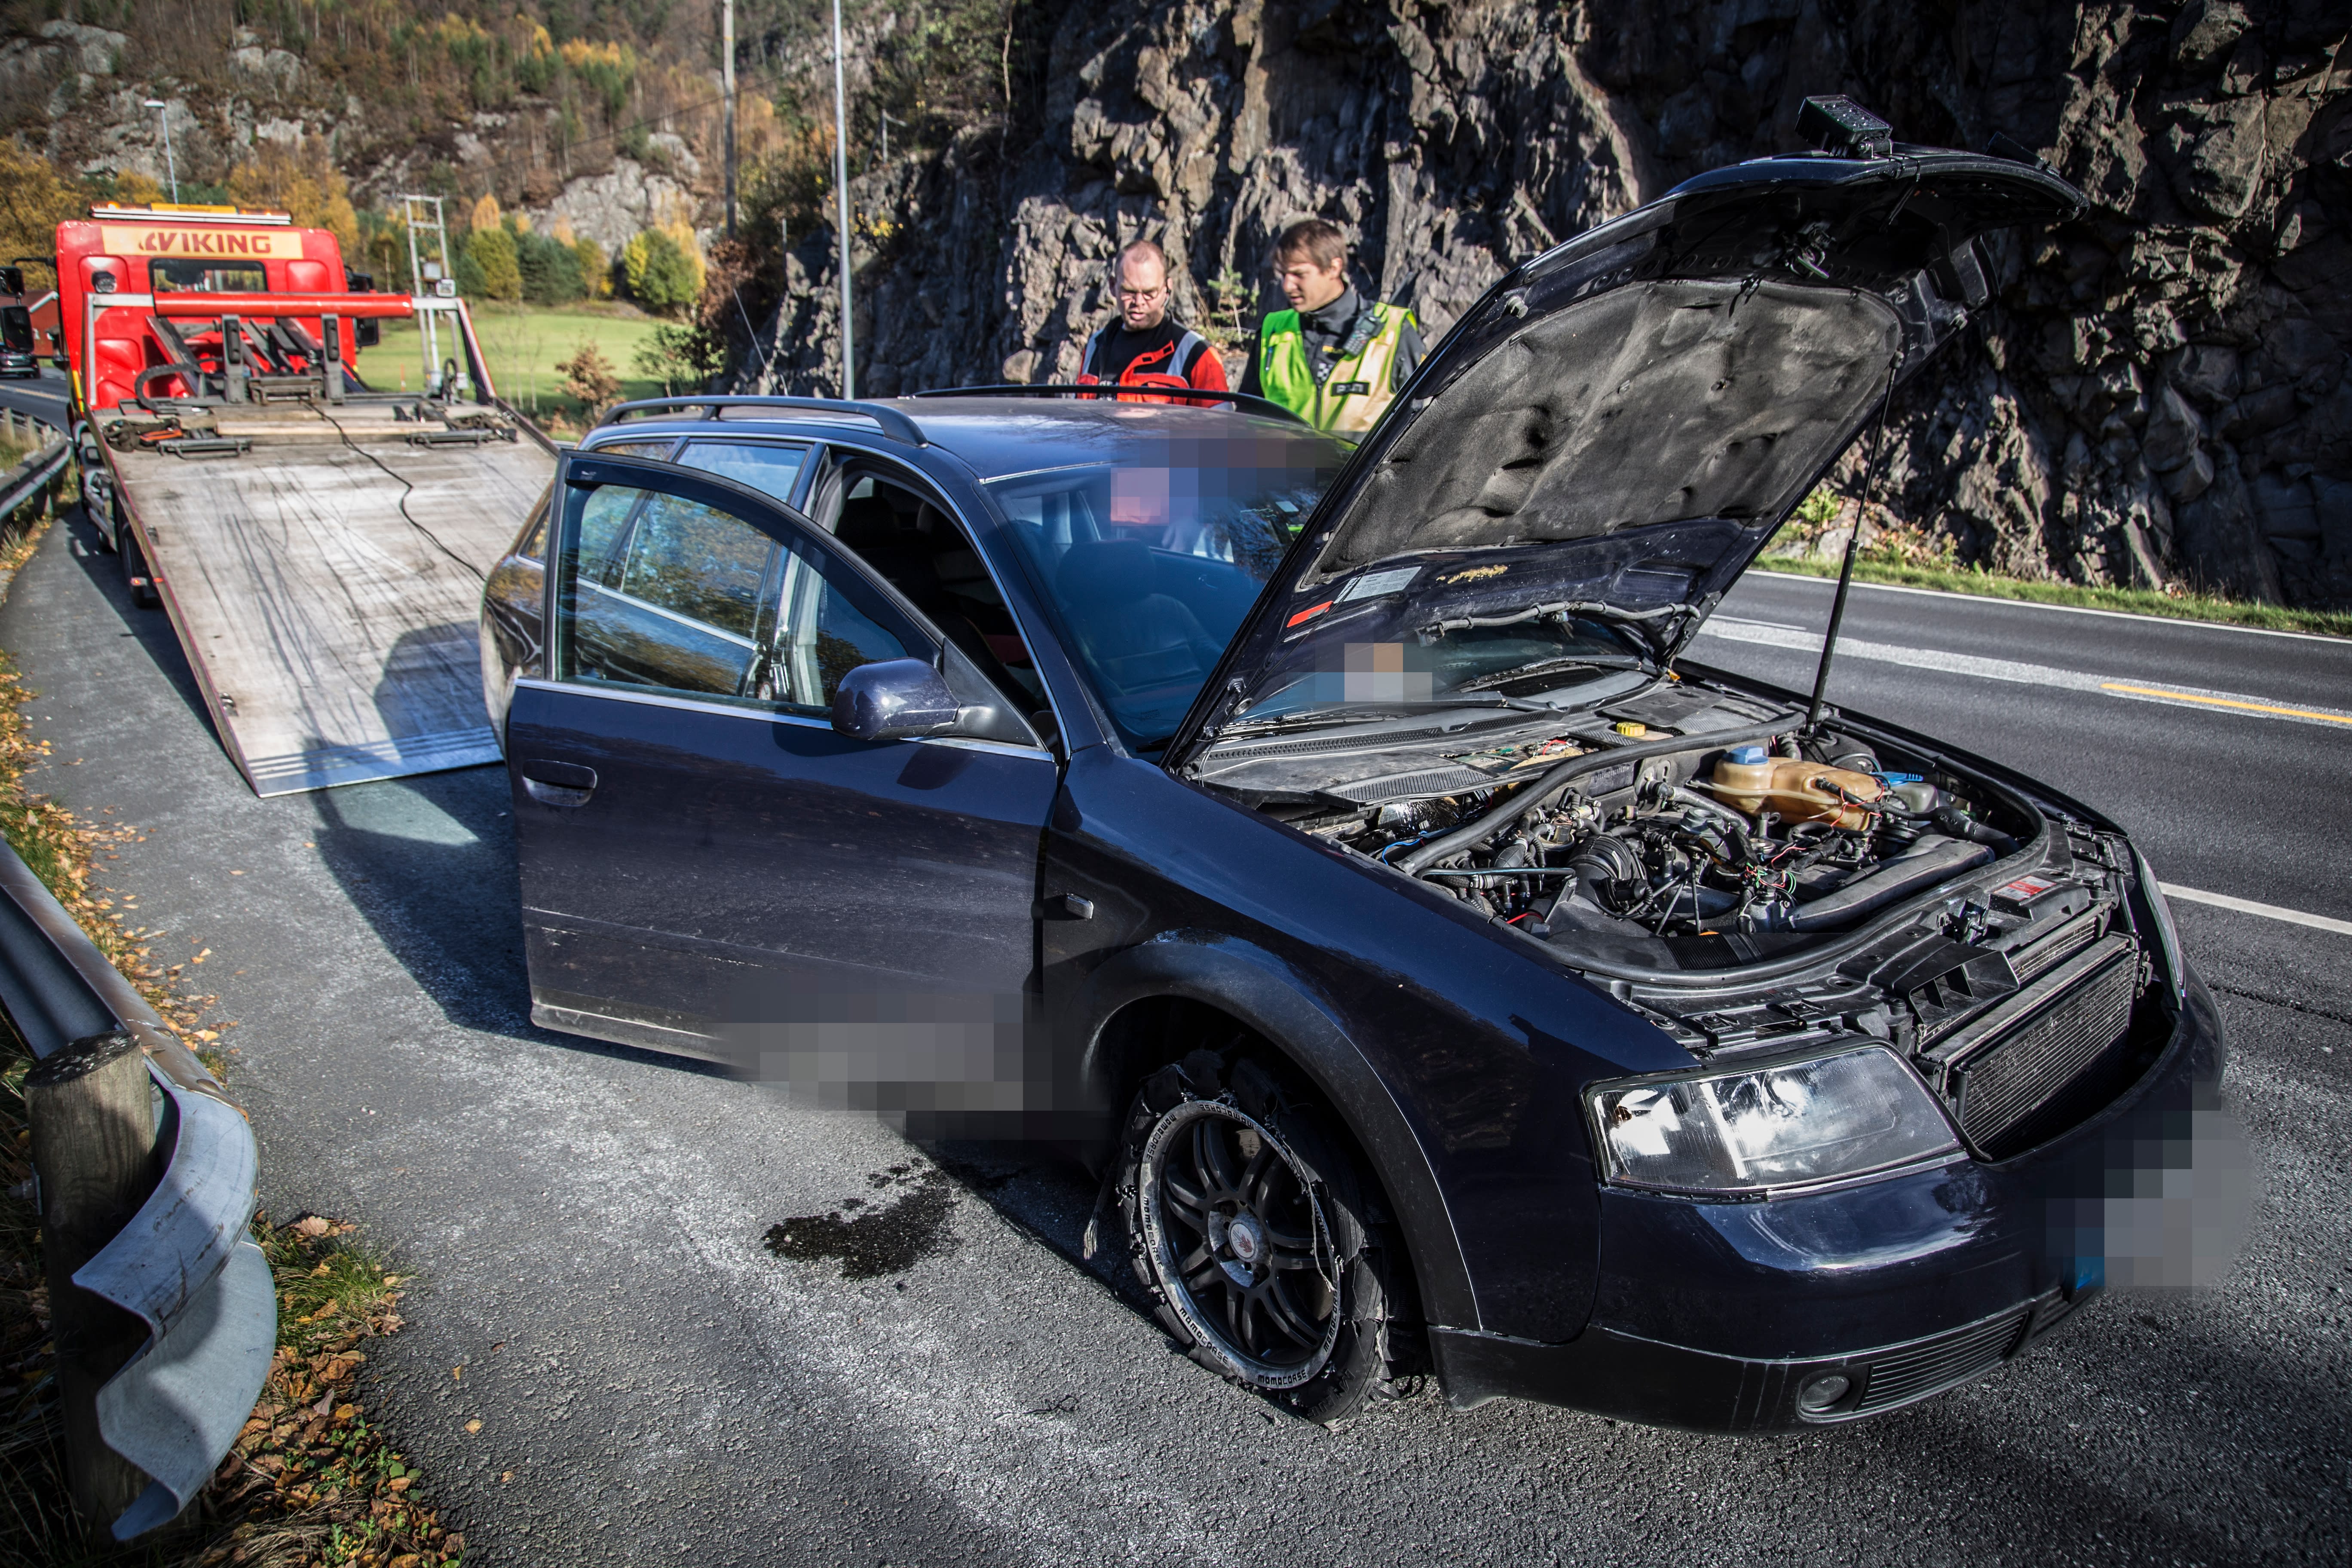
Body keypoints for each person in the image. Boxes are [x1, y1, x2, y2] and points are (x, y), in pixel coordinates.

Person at [1241, 219, 1424, 434]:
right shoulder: (1273, 331)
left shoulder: (1394, 330)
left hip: (1364, 469)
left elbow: (1424, 424)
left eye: (1299, 275)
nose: (1288, 286)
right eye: (1283, 275)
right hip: (1282, 468)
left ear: (1333, 268)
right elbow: (1247, 418)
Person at [1075, 240, 1231, 402]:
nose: (1139, 302)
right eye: (1129, 292)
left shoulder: (1197, 353)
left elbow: (1221, 426)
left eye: (1149, 293)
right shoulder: (1096, 345)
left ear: (1167, 289)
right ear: (1113, 286)